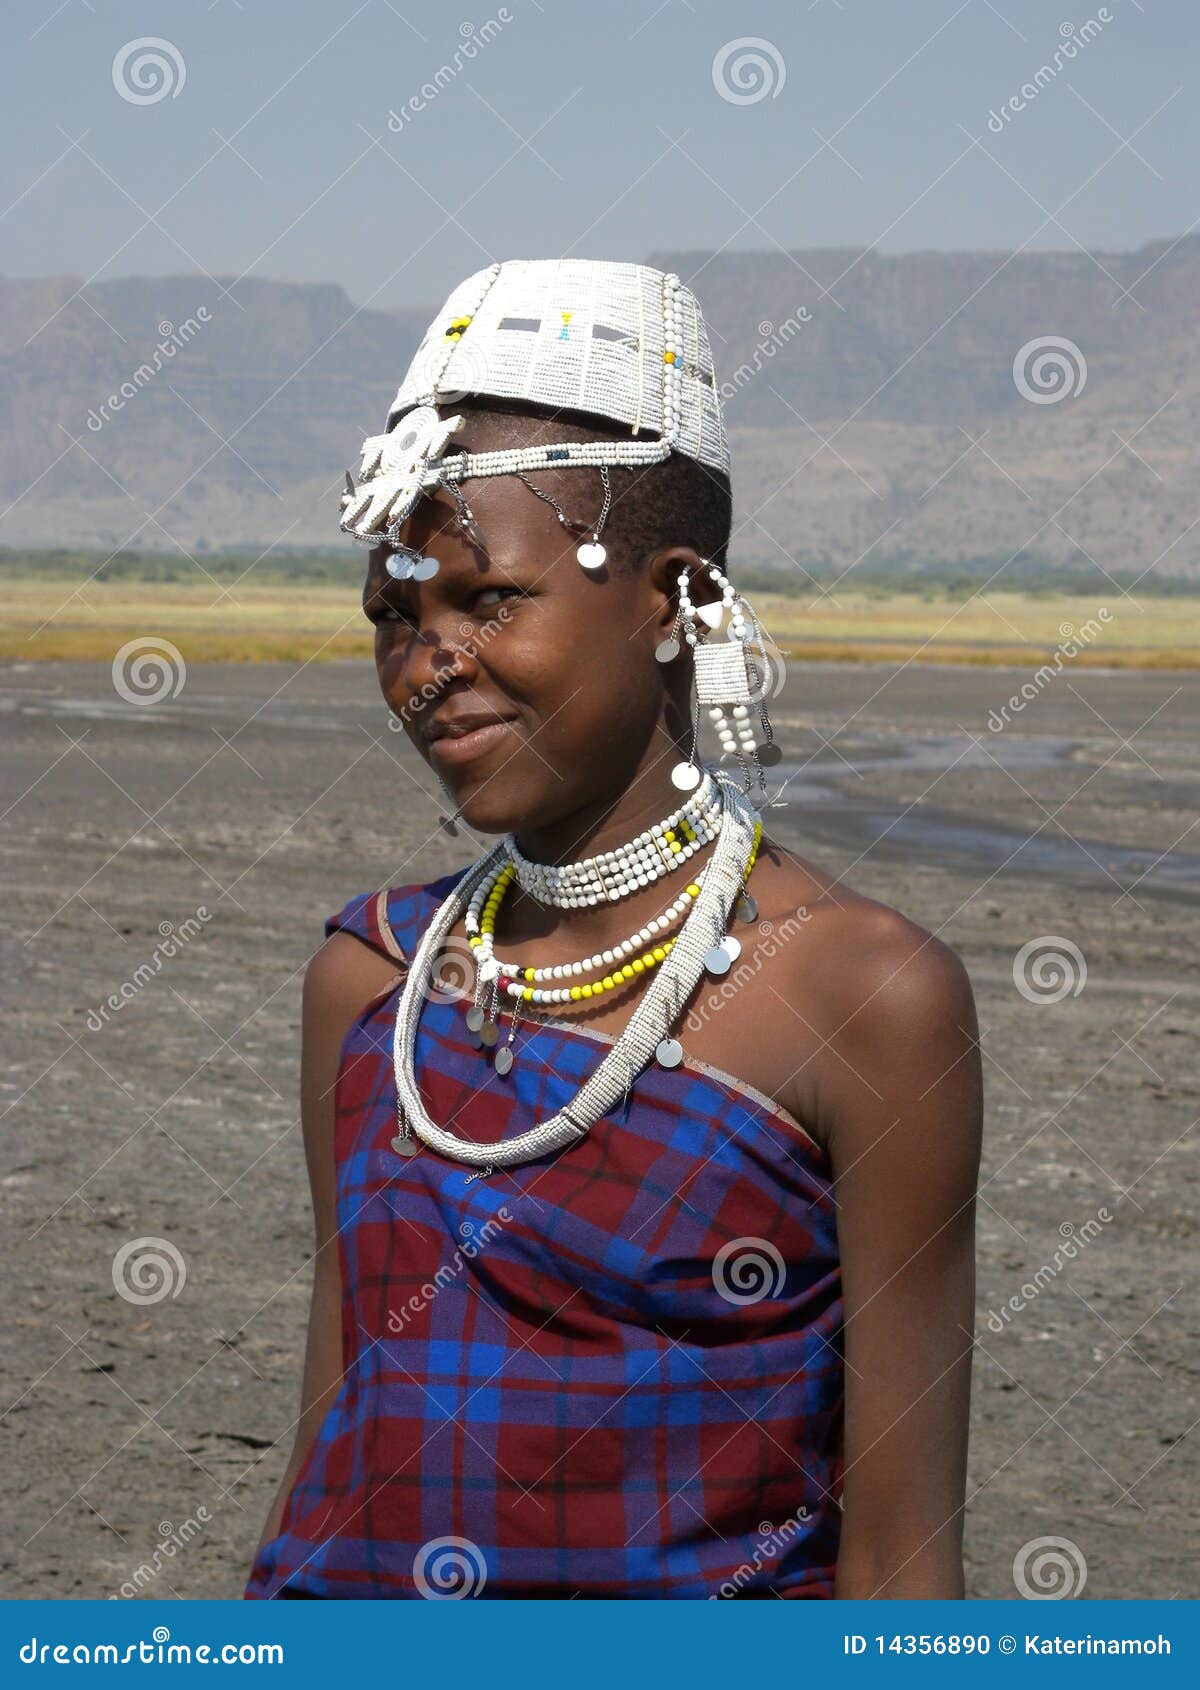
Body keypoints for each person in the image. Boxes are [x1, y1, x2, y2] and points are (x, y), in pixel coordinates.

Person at [245, 259, 982, 1599]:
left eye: (486, 598)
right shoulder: (368, 980)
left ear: (671, 597)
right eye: (393, 616)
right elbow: (331, 1453)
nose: (428, 664)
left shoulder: (860, 995)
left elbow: (901, 1554)